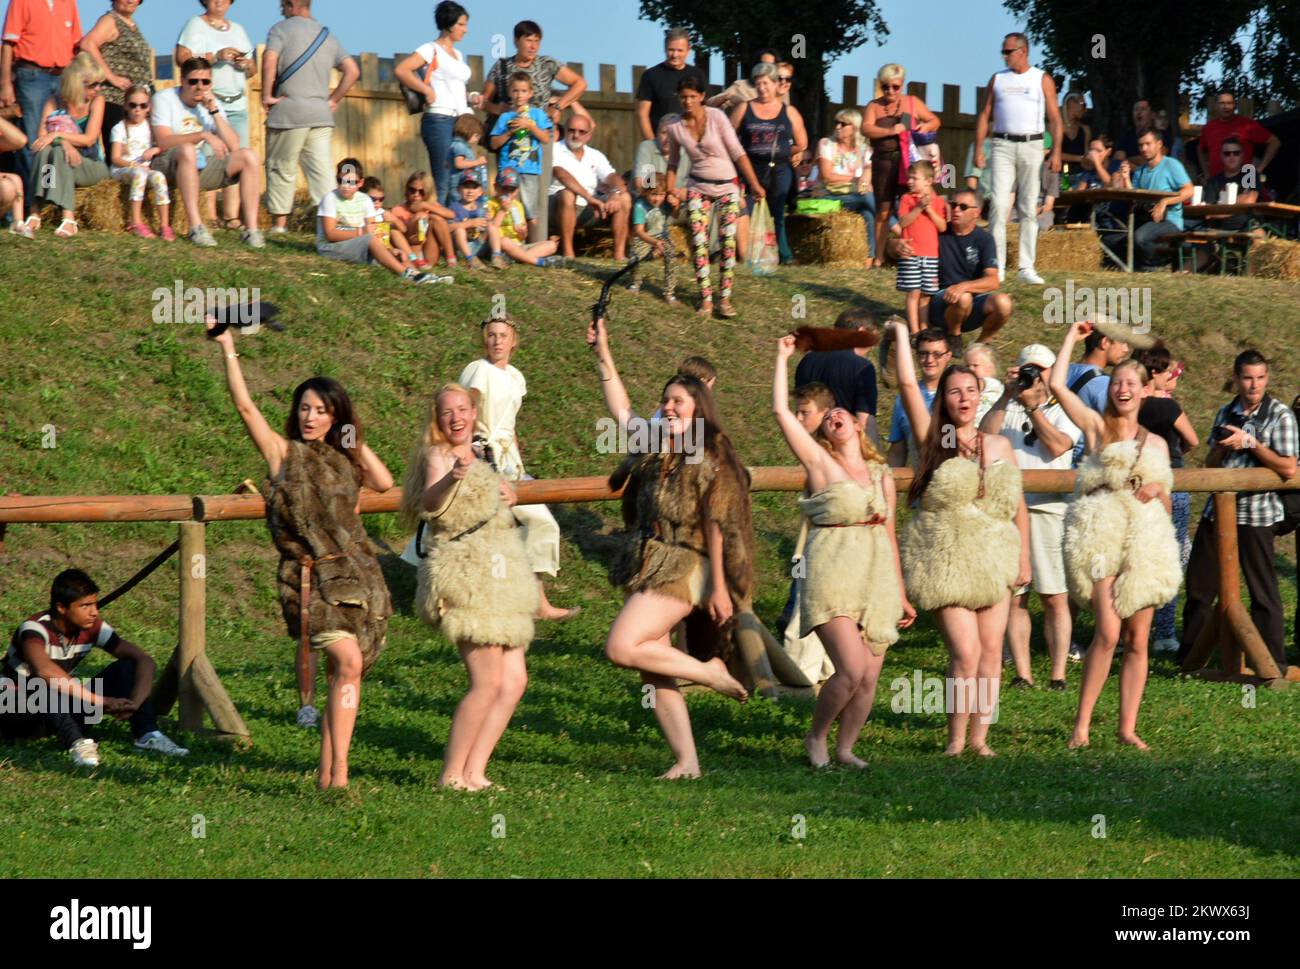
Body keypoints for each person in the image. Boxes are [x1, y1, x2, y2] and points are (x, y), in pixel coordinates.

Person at [208, 322, 394, 787]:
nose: (310, 417)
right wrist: (228, 348)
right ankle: (342, 774)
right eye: (305, 408)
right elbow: (244, 407)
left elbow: (385, 482)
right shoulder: (282, 454)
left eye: (321, 410)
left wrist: (352, 436)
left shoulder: (343, 459)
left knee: (346, 675)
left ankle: (327, 774)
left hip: (356, 580)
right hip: (308, 583)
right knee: (348, 664)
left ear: (335, 417)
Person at [586, 314, 750, 778]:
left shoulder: (706, 453)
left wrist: (719, 587)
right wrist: (603, 353)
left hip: (687, 563)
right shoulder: (657, 444)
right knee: (653, 667)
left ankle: (711, 672)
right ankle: (688, 762)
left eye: (678, 401)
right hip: (651, 558)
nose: (669, 407)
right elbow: (619, 411)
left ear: (697, 408)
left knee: (621, 645)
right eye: (665, 401)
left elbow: (717, 524)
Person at [773, 336, 913, 767]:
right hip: (833, 573)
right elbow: (781, 412)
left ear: (857, 425)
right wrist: (782, 358)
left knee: (869, 677)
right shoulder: (820, 464)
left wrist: (901, 592)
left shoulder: (880, 473)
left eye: (842, 413)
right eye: (827, 414)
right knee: (850, 669)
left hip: (877, 578)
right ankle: (816, 738)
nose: (834, 415)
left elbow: (889, 532)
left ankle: (846, 747)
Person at [892, 317, 1029, 756]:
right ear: (945, 400)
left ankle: (979, 739)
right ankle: (954, 739)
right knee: (965, 654)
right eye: (955, 392)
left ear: (980, 395)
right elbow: (911, 389)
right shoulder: (933, 440)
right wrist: (899, 334)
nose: (964, 399)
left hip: (994, 559)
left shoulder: (999, 446)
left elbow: (1017, 507)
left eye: (971, 391)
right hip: (947, 561)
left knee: (991, 654)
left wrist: (1023, 559)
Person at [1049, 322, 1181, 750]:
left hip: (1143, 540)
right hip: (1102, 535)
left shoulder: (1158, 444)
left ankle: (1126, 727)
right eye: (1116, 383)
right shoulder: (1095, 429)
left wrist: (1158, 489)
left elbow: (1164, 504)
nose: (1122, 389)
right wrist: (1072, 336)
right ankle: (1081, 726)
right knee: (1107, 630)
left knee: (1138, 638)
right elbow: (1055, 384)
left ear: (1144, 391)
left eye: (1130, 383)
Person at [401, 383, 539, 790]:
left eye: (462, 409)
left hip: (502, 578)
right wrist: (454, 479)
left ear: (473, 412)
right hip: (467, 575)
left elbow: (490, 499)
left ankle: (475, 771)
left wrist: (504, 492)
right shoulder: (438, 455)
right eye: (447, 412)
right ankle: (451, 775)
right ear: (437, 418)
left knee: (514, 682)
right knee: (487, 683)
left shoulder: (481, 453)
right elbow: (430, 503)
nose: (456, 418)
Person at [447, 316, 579, 624]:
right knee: (481, 532)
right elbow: (465, 411)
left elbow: (510, 424)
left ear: (513, 340)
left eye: (503, 335)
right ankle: (462, 601)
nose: (496, 341)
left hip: (510, 460)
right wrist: (468, 451)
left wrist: (518, 460)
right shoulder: (478, 370)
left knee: (542, 523)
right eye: (491, 335)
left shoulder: (517, 377)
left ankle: (538, 602)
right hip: (481, 457)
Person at [1180, 350, 1298, 673]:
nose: (1254, 385)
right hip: (1217, 511)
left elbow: (1289, 468)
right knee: (1200, 588)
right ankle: (1190, 662)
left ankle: (1274, 664)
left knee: (1263, 592)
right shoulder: (1225, 411)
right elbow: (1210, 465)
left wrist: (1251, 444)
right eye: (1247, 378)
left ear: (1267, 379)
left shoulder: (1280, 415)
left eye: (1260, 378)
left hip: (1257, 513)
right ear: (1236, 378)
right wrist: (1220, 447)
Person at [1, 568, 189, 767]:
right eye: (85, 606)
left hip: (56, 713)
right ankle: (77, 742)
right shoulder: (34, 629)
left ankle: (148, 734)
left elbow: (144, 661)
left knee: (126, 667)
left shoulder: (91, 628)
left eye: (94, 604)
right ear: (62, 608)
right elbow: (44, 670)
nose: (94, 612)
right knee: (44, 681)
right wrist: (101, 701)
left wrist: (135, 702)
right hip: (16, 713)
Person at [980, 344, 1082, 690]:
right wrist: (1007, 396)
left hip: (1048, 508)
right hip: (1008, 510)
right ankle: (1022, 672)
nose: (1034, 376)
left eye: (1040, 370)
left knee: (1054, 596)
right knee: (1015, 595)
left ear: (1052, 374)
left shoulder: (1062, 408)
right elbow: (983, 436)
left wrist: (1033, 408)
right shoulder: (1007, 405)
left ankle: (1057, 674)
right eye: (1028, 369)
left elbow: (1057, 446)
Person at [663, 76, 766, 318]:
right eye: (683, 97)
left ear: (701, 97)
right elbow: (673, 162)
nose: (688, 101)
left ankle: (725, 298)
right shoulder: (675, 127)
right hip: (698, 185)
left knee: (727, 243)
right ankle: (706, 300)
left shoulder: (716, 117)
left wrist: (754, 184)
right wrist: (670, 191)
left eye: (692, 96)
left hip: (727, 185)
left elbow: (737, 152)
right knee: (699, 242)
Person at [973, 33, 1063, 285]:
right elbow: (984, 114)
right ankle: (996, 266)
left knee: (1027, 206)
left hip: (1032, 144)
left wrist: (1056, 151)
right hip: (1001, 144)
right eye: (1003, 51)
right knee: (999, 205)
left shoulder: (1041, 78)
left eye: (1008, 51)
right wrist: (980, 147)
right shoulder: (998, 79)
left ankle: (1026, 267)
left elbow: (1055, 118)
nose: (1004, 56)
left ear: (1023, 51)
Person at [262, 0, 359, 233]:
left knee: (281, 167)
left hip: (289, 111)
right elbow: (353, 71)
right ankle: (329, 228)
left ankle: (279, 226)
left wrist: (266, 95)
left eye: (283, 6)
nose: (281, 11)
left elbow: (269, 60)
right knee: (321, 172)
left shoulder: (280, 30)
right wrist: (333, 99)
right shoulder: (328, 36)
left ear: (292, 4)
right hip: (320, 114)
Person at [150, 57, 263, 248]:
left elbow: (234, 144)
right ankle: (196, 227)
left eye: (205, 82)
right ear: (183, 81)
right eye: (193, 81)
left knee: (249, 156)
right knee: (187, 150)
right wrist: (202, 135)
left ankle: (252, 230)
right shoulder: (164, 99)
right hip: (165, 165)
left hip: (196, 167)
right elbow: (164, 141)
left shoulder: (210, 105)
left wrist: (215, 111)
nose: (200, 87)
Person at [1133, 344, 1198, 654]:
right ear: (1154, 374)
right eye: (1169, 371)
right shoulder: (1167, 408)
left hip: (1135, 485)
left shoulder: (1129, 405)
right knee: (1171, 557)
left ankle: (1130, 633)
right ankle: (1165, 632)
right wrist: (1175, 455)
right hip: (1171, 483)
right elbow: (1194, 440)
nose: (1173, 375)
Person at [176, 0, 257, 229]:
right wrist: (216, 56)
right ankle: (209, 215)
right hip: (210, 100)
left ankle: (231, 216)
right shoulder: (195, 25)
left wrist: (247, 64)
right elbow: (183, 58)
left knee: (237, 155)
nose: (219, 2)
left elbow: (253, 70)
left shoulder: (239, 30)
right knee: (211, 156)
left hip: (238, 103)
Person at [394, 1, 481, 208]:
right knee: (443, 179)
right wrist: (426, 90)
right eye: (461, 24)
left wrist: (472, 97)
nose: (465, 30)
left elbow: (454, 88)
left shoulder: (458, 55)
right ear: (449, 24)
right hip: (439, 121)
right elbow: (402, 70)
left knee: (460, 179)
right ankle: (438, 232)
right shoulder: (430, 49)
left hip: (460, 123)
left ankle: (453, 230)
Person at [0, 0, 82, 195]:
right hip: (32, 76)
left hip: (62, 76)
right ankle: (31, 199)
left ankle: (49, 194)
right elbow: (8, 44)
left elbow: (77, 44)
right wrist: (5, 84)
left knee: (55, 140)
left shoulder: (68, 3)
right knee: (33, 141)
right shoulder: (20, 2)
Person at [862, 63, 939, 267]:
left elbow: (934, 120)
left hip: (907, 163)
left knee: (910, 206)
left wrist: (925, 126)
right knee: (883, 211)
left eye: (895, 87)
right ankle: (879, 257)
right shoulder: (874, 106)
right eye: (885, 86)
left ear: (902, 85)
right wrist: (890, 131)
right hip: (883, 162)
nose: (890, 91)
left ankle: (912, 253)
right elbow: (866, 129)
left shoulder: (912, 103)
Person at [732, 62, 807, 266]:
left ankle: (784, 254)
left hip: (779, 169)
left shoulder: (789, 112)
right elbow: (729, 138)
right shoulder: (743, 108)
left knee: (777, 210)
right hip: (750, 168)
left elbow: (802, 143)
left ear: (775, 84)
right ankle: (747, 254)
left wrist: (784, 150)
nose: (762, 88)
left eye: (766, 83)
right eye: (758, 84)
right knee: (745, 209)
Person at [28, 52, 110, 238]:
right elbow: (41, 138)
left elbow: (89, 139)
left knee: (57, 152)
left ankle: (69, 217)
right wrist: (64, 142)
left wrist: (57, 134)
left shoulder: (97, 102)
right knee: (46, 150)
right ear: (76, 84)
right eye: (92, 85)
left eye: (99, 83)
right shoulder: (55, 101)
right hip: (62, 161)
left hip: (92, 164)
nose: (98, 89)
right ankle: (35, 211)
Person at [793, 307, 880, 444]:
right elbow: (865, 423)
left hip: (811, 449)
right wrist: (876, 460)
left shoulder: (807, 360)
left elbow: (802, 411)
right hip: (845, 449)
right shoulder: (863, 367)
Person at [548, 114, 629, 260]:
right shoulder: (553, 149)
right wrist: (589, 197)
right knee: (567, 194)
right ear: (565, 130)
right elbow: (561, 174)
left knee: (625, 198)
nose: (575, 135)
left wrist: (615, 192)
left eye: (581, 132)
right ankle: (568, 254)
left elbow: (612, 177)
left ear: (589, 135)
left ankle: (619, 256)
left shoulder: (595, 155)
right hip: (559, 206)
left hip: (591, 207)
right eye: (571, 130)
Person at [77, 0, 152, 156]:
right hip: (115, 98)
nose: (130, 1)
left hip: (135, 100)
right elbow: (87, 44)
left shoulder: (131, 24)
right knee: (118, 152)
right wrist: (111, 76)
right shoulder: (110, 20)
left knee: (136, 149)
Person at [481, 20, 588, 124]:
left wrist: (558, 107)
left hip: (539, 133)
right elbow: (484, 102)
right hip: (507, 133)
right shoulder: (502, 66)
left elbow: (580, 84)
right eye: (529, 41)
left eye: (537, 41)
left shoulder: (547, 64)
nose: (533, 47)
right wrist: (497, 109)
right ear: (516, 41)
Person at [1116, 128, 1193, 271]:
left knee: (1140, 238)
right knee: (1116, 239)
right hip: (1147, 219)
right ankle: (1144, 267)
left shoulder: (1172, 164)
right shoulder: (1140, 170)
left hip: (1170, 220)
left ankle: (1159, 265)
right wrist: (1126, 178)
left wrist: (1164, 202)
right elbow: (1135, 198)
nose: (1144, 148)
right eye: (1141, 145)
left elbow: (1189, 190)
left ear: (1159, 144)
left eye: (1148, 144)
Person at [489, 71, 553, 242]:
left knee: (530, 211)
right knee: (507, 207)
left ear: (531, 93)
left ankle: (533, 246)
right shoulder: (505, 117)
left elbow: (546, 138)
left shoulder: (538, 114)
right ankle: (505, 244)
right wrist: (511, 131)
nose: (519, 95)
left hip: (529, 169)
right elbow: (494, 143)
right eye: (515, 91)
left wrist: (530, 126)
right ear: (510, 93)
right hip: (508, 170)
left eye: (524, 91)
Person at [108, 85, 173, 240]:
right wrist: (133, 166)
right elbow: (115, 158)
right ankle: (135, 222)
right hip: (122, 169)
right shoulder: (119, 128)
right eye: (133, 105)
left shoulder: (150, 127)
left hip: (143, 169)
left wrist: (155, 150)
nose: (138, 109)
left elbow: (164, 145)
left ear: (148, 107)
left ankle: (164, 225)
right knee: (140, 174)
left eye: (143, 105)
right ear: (126, 106)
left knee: (159, 177)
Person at [887, 328, 956, 468]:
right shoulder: (903, 399)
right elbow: (897, 452)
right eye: (923, 353)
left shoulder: (956, 394)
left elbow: (951, 445)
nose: (929, 360)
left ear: (948, 355)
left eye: (937, 354)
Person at [893, 160, 948, 333]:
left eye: (914, 178)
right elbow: (903, 222)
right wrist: (918, 208)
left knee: (926, 295)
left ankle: (924, 327)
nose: (909, 181)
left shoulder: (939, 201)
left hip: (931, 255)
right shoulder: (906, 199)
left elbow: (942, 227)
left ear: (928, 181)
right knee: (913, 293)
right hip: (911, 253)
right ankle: (914, 330)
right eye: (909, 178)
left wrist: (929, 209)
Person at [815, 107, 875, 255]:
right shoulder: (826, 144)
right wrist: (856, 179)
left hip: (856, 196)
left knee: (867, 212)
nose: (837, 127)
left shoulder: (865, 149)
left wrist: (865, 178)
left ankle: (870, 257)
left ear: (854, 128)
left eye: (843, 124)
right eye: (837, 122)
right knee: (867, 198)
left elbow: (868, 174)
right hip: (831, 196)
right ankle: (896, 228)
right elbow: (827, 176)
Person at [635, 27, 706, 146]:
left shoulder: (697, 74)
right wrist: (653, 146)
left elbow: (705, 110)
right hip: (663, 144)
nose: (675, 55)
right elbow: (642, 114)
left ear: (688, 50)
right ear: (664, 49)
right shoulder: (651, 75)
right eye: (671, 50)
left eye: (680, 50)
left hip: (691, 145)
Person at [1197, 90, 1280, 182]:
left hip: (1246, 178)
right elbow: (1200, 149)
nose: (1226, 106)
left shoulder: (1246, 124)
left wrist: (1260, 168)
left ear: (1234, 105)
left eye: (1229, 103)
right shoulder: (1209, 127)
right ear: (1216, 106)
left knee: (1250, 196)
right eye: (1222, 103)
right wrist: (1206, 172)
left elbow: (1274, 142)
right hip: (1216, 180)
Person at [488, 166, 562, 266]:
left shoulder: (518, 205)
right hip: (501, 245)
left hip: (518, 246)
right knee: (505, 241)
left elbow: (522, 237)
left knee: (551, 245)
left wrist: (523, 233)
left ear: (517, 190)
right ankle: (534, 260)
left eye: (512, 190)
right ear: (496, 187)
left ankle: (519, 257)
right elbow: (492, 228)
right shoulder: (490, 203)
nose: (508, 193)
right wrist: (502, 210)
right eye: (504, 188)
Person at [627, 172, 678, 302]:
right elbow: (638, 231)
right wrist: (654, 242)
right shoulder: (640, 206)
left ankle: (669, 292)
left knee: (671, 256)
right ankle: (635, 283)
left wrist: (676, 205)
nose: (657, 199)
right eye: (653, 194)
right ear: (645, 192)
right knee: (636, 257)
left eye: (661, 194)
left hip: (662, 236)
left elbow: (676, 215)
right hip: (645, 237)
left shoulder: (665, 203)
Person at [389, 169, 455, 269]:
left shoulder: (430, 205)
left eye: (421, 191)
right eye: (412, 190)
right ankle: (416, 260)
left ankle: (451, 258)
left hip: (428, 252)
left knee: (436, 218)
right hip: (412, 251)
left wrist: (425, 205)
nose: (416, 194)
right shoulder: (398, 209)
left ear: (427, 192)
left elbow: (451, 215)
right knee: (420, 218)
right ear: (407, 190)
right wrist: (415, 219)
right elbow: (398, 235)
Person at [1193, 137, 1259, 234]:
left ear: (1242, 155)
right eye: (1227, 154)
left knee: (1258, 235)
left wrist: (1220, 208)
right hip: (1217, 230)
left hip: (1245, 227)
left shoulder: (1249, 173)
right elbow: (1208, 212)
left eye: (1236, 153)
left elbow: (1249, 200)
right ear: (1221, 156)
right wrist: (1239, 201)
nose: (1232, 157)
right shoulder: (1214, 180)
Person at [449, 176, 501, 269]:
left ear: (480, 192)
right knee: (459, 231)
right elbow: (447, 228)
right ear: (458, 189)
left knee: (492, 226)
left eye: (474, 187)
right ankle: (471, 260)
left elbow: (485, 228)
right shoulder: (454, 207)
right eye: (466, 187)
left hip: (479, 245)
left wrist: (488, 221)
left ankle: (497, 257)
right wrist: (469, 223)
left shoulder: (481, 207)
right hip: (462, 249)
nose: (470, 191)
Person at [706, 50, 777, 112]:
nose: (766, 69)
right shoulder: (741, 86)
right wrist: (727, 96)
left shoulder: (782, 88)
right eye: (763, 64)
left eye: (771, 65)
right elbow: (709, 104)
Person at [447, 112, 487, 200]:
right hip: (458, 187)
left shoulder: (458, 145)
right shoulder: (459, 146)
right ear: (468, 131)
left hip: (460, 185)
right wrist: (477, 162)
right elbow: (459, 163)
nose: (477, 140)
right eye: (476, 136)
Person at [964, 342, 1003, 424]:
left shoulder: (997, 389)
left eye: (975, 365)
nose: (970, 369)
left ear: (990, 367)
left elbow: (988, 383)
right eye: (967, 366)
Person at [1059, 92, 1090, 178]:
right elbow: (1054, 153)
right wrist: (1080, 158)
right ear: (1072, 103)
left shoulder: (1085, 130)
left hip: (1081, 174)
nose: (1085, 109)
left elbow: (1086, 153)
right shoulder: (1057, 128)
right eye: (1083, 105)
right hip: (1063, 174)